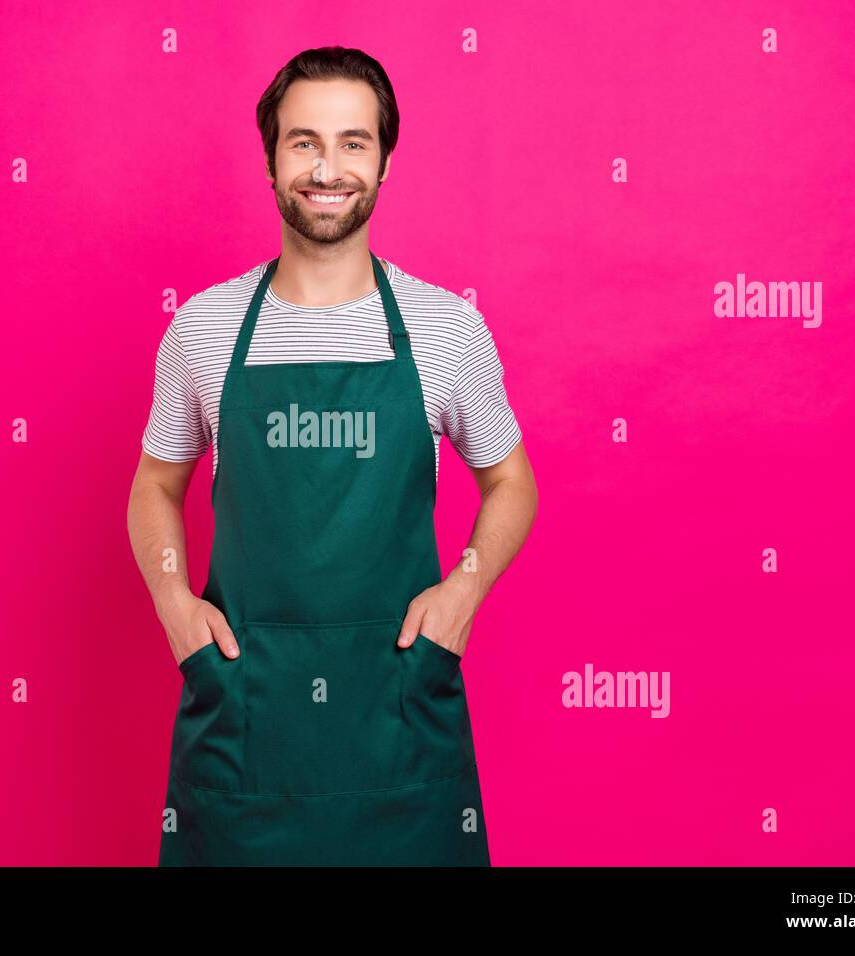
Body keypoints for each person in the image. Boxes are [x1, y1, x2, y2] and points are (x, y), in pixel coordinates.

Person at [127, 46, 538, 866]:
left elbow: (511, 484)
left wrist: (464, 591)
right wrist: (175, 601)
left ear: (385, 162)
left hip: (397, 721)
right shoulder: (204, 329)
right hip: (246, 719)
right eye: (303, 141)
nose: (327, 166)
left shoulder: (445, 328)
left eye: (353, 142)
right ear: (271, 159)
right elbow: (155, 484)